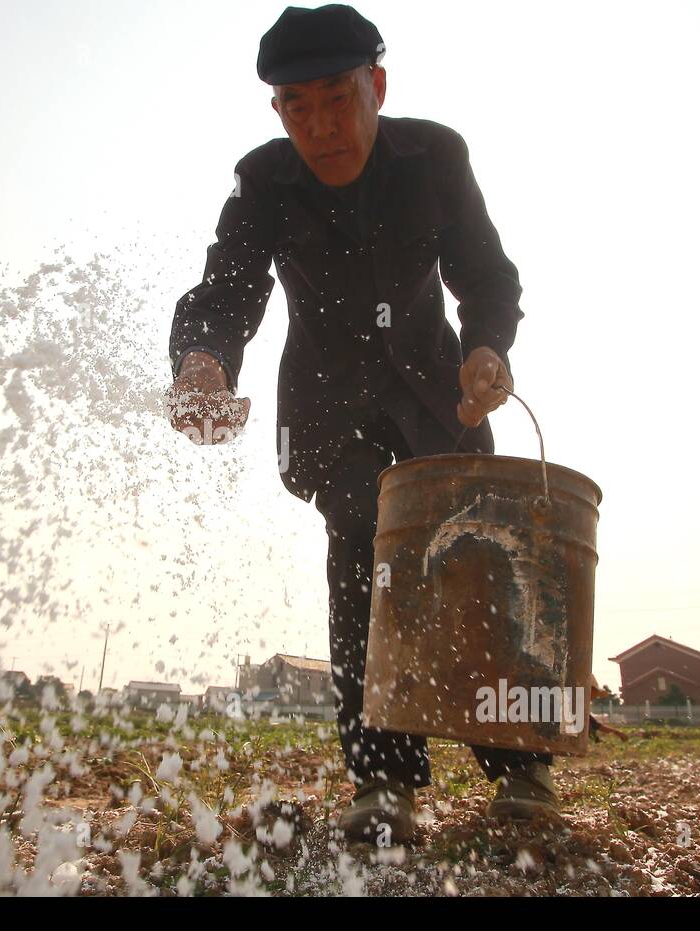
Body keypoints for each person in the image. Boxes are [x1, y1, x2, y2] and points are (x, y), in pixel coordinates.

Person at [166, 4, 557, 841]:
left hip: (436, 405)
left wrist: (487, 348)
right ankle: (385, 781)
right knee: (368, 544)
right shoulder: (264, 181)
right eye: (296, 106)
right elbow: (224, 293)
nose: (320, 127)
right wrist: (202, 364)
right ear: (277, 112)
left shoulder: (435, 157)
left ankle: (520, 766)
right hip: (322, 418)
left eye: (337, 99)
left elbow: (487, 275)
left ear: (376, 86)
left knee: (475, 558)